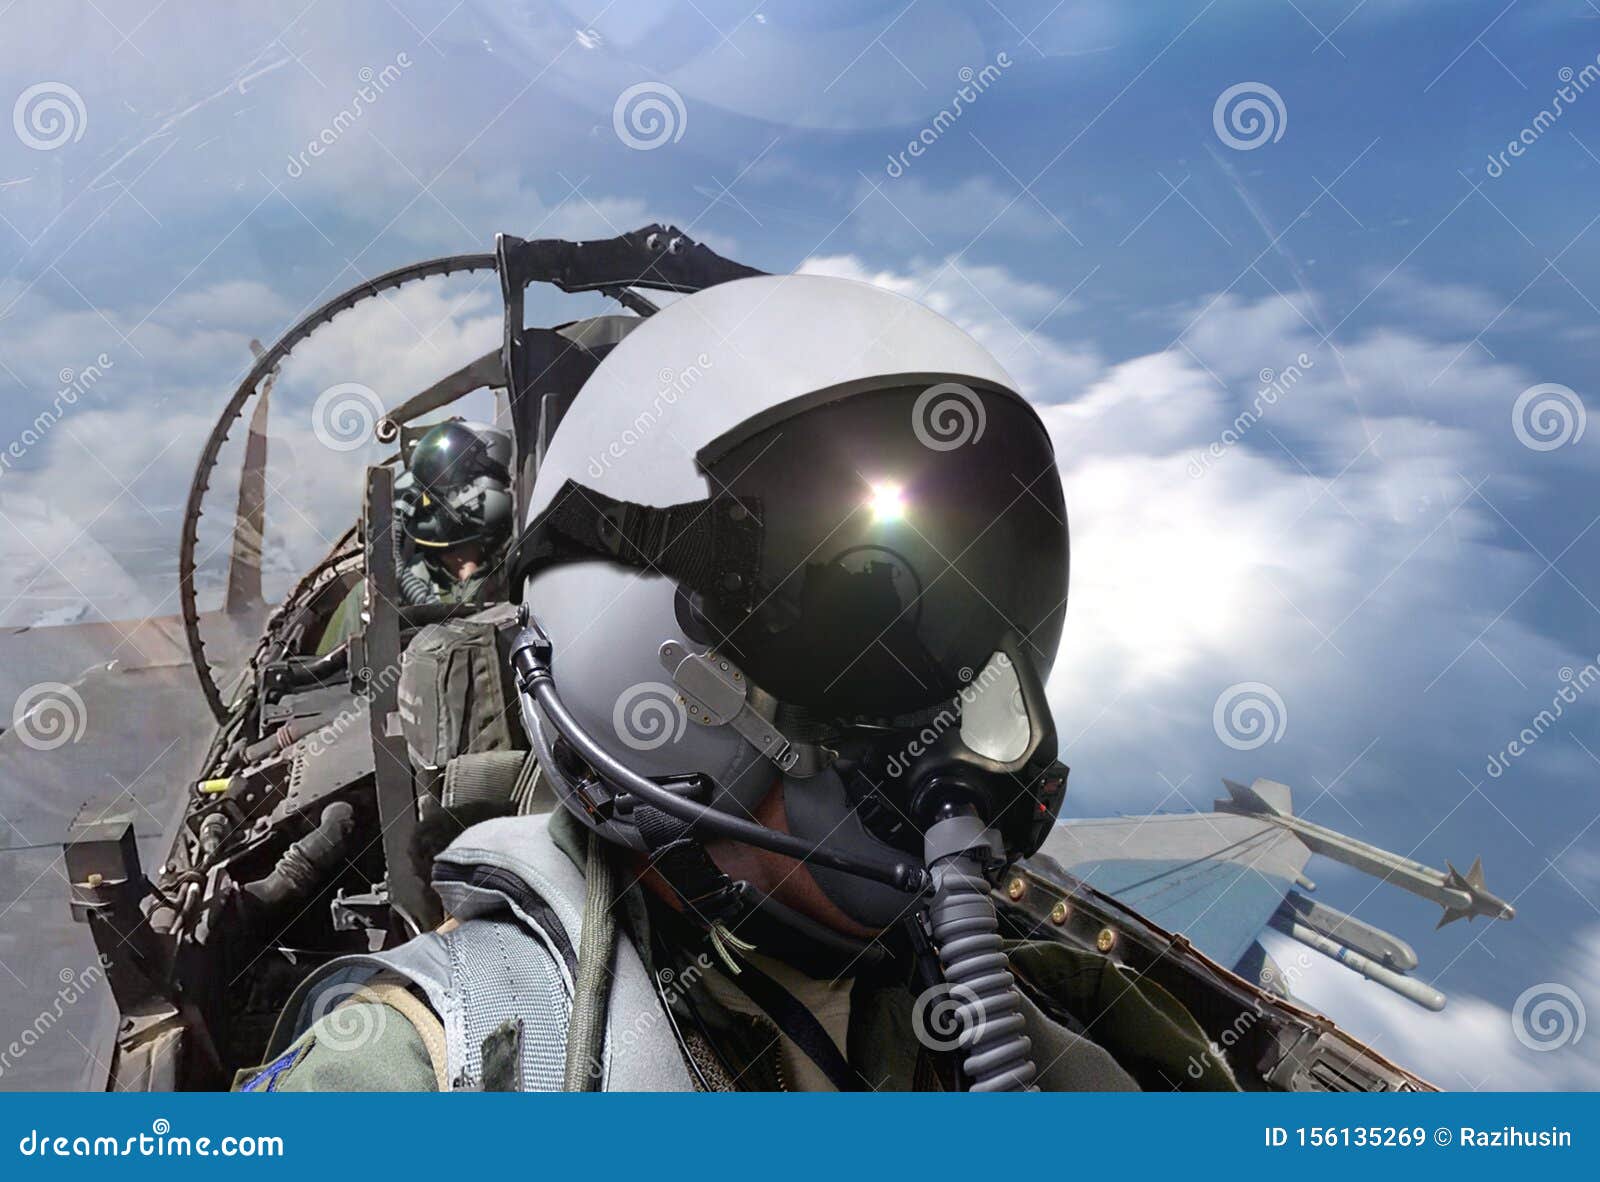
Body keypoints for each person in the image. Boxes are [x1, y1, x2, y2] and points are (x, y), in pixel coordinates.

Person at [241, 274, 1232, 1092]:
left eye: (971, 639)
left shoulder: (1073, 1020)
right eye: (859, 639)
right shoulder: (421, 1069)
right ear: (660, 690)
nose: (969, 731)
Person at [315, 420, 514, 654]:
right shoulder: (372, 597)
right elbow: (328, 673)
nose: (421, 495)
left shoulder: (521, 583)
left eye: (443, 478)